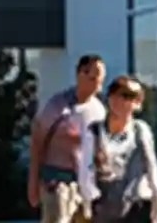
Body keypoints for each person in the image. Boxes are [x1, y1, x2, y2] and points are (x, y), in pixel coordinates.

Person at [30, 54, 108, 223]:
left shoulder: (98, 110)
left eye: (101, 80)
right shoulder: (57, 105)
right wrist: (33, 184)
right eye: (94, 78)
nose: (98, 85)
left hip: (85, 184)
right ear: (80, 75)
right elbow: (37, 141)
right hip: (56, 181)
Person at [79, 76, 157, 222]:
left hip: (137, 204)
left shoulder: (141, 130)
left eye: (129, 97)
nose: (122, 101)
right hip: (106, 206)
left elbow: (152, 168)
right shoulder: (94, 131)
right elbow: (85, 169)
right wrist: (92, 199)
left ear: (138, 103)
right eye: (116, 95)